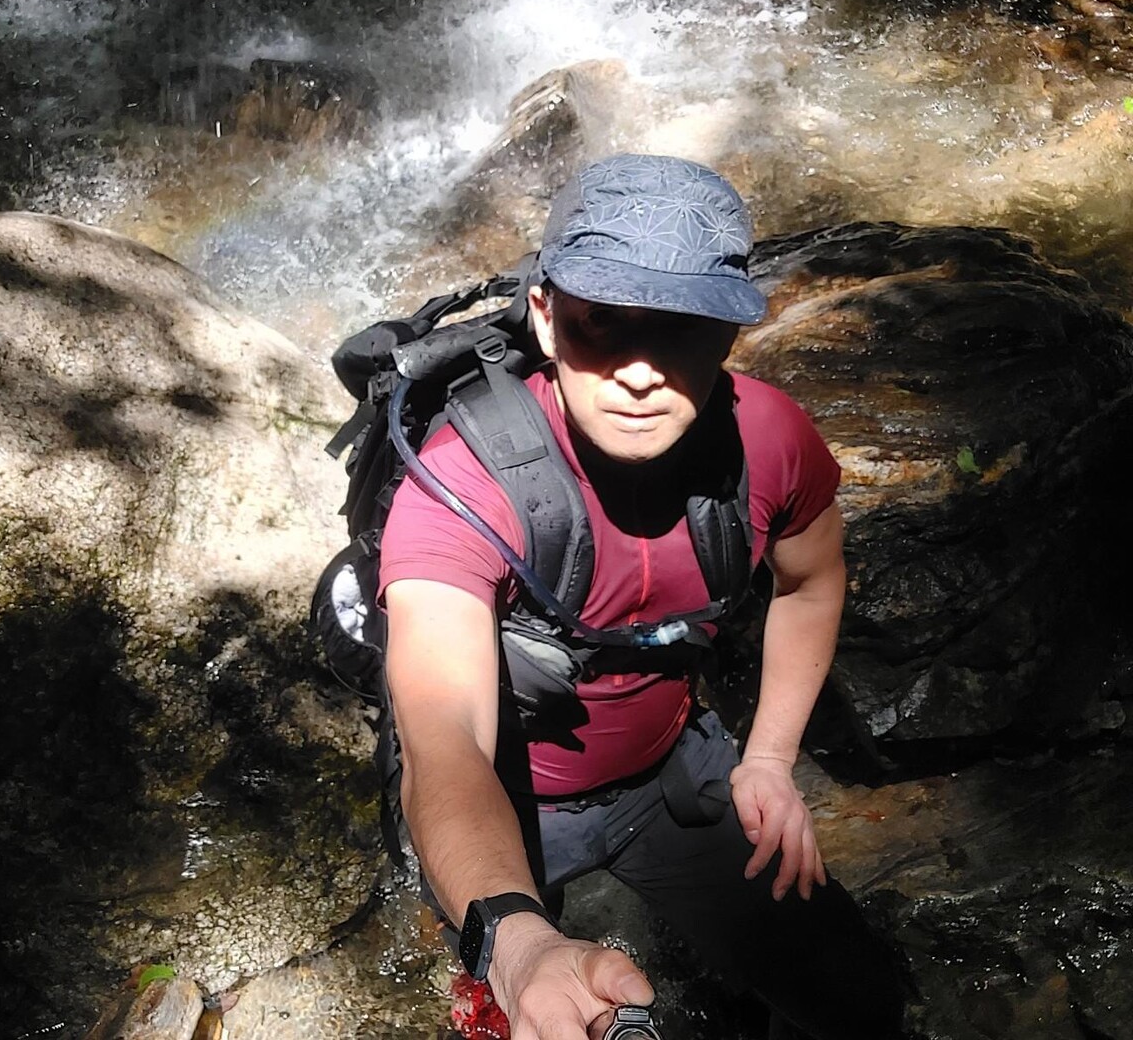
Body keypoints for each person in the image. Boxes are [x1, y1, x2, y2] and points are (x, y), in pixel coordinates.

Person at [377, 154, 903, 1040]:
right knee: (517, 1004)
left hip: (669, 773)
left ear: (729, 335)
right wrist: (517, 942)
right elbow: (444, 740)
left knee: (859, 1000)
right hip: (506, 804)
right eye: (602, 326)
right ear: (545, 318)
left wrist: (768, 759)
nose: (639, 372)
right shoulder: (463, 487)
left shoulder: (772, 442)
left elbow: (811, 583)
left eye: (682, 332)